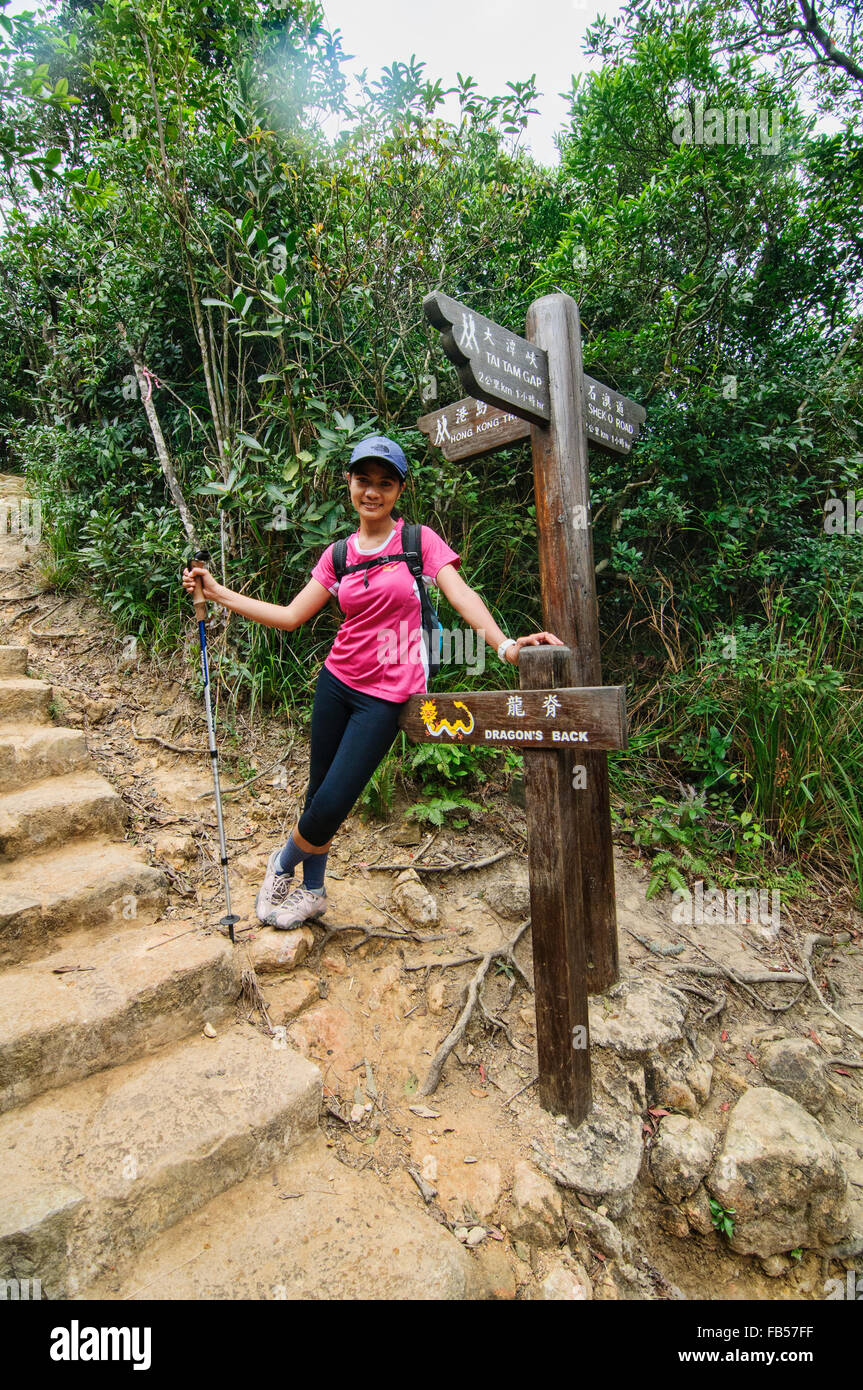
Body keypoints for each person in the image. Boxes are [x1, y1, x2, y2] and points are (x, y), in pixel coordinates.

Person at [182, 434, 564, 930]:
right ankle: (313, 892)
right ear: (350, 483)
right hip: (336, 682)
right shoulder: (338, 554)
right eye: (364, 480)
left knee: (335, 801)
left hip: (385, 697)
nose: (372, 492)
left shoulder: (418, 542)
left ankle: (280, 866)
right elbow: (291, 615)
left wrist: (504, 644)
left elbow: (460, 594)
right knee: (318, 793)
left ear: (398, 491)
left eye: (385, 483)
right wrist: (218, 593)